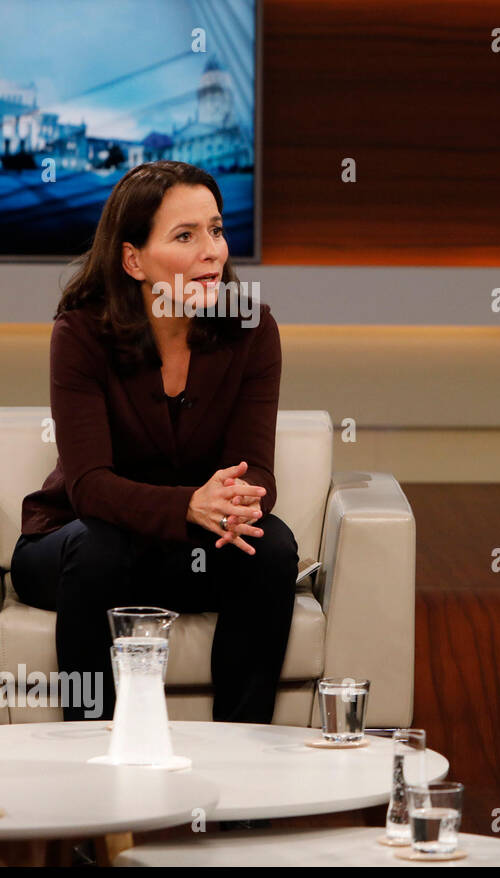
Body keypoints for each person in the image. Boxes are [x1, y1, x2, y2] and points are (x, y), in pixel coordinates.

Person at [9, 160, 299, 724]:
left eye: (216, 229)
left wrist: (236, 502)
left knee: (271, 548)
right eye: (185, 236)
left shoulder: (251, 329)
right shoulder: (81, 333)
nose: (212, 250)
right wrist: (189, 504)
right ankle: (93, 761)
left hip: (189, 553)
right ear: (133, 258)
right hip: (79, 548)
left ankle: (244, 765)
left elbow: (255, 469)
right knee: (100, 546)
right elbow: (90, 487)